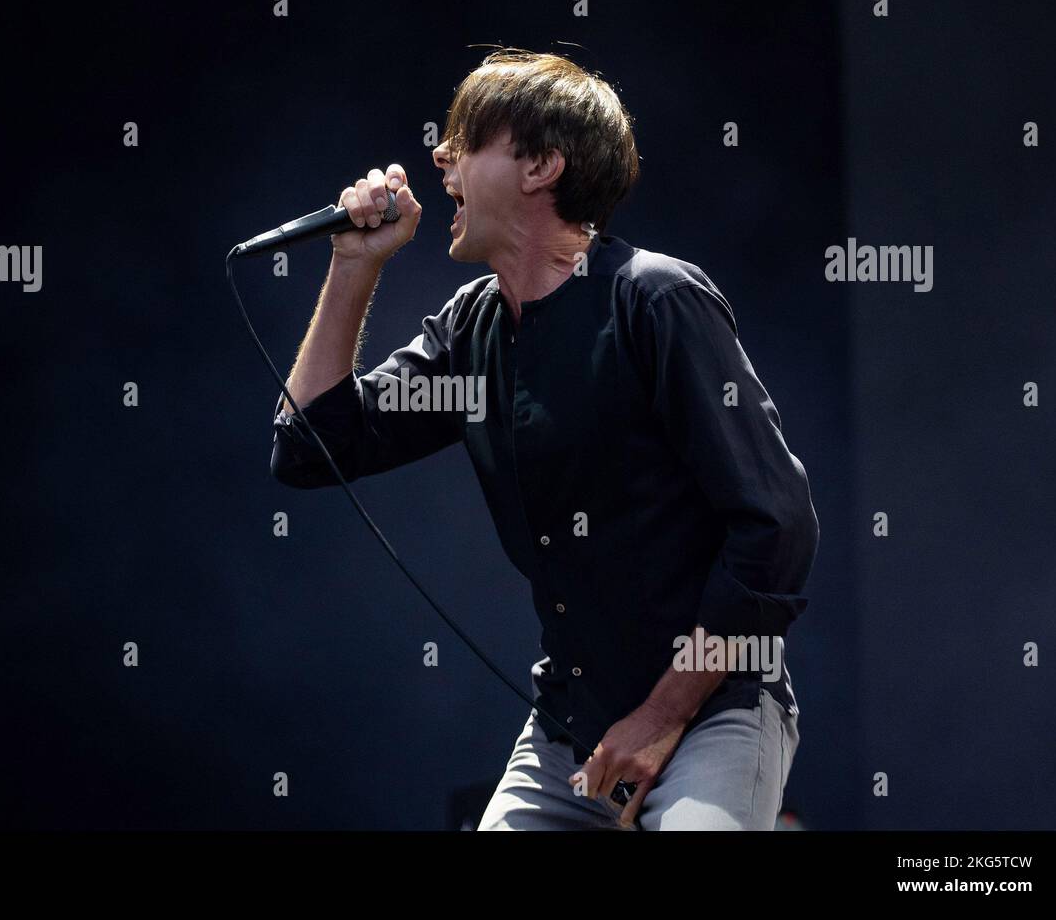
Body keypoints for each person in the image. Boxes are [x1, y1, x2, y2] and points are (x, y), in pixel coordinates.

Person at [269, 48, 819, 830]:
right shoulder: (473, 329)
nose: (438, 154)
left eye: (466, 137)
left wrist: (661, 717)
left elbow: (778, 527)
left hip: (712, 710)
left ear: (542, 166)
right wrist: (353, 267)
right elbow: (309, 449)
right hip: (571, 729)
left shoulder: (653, 300)